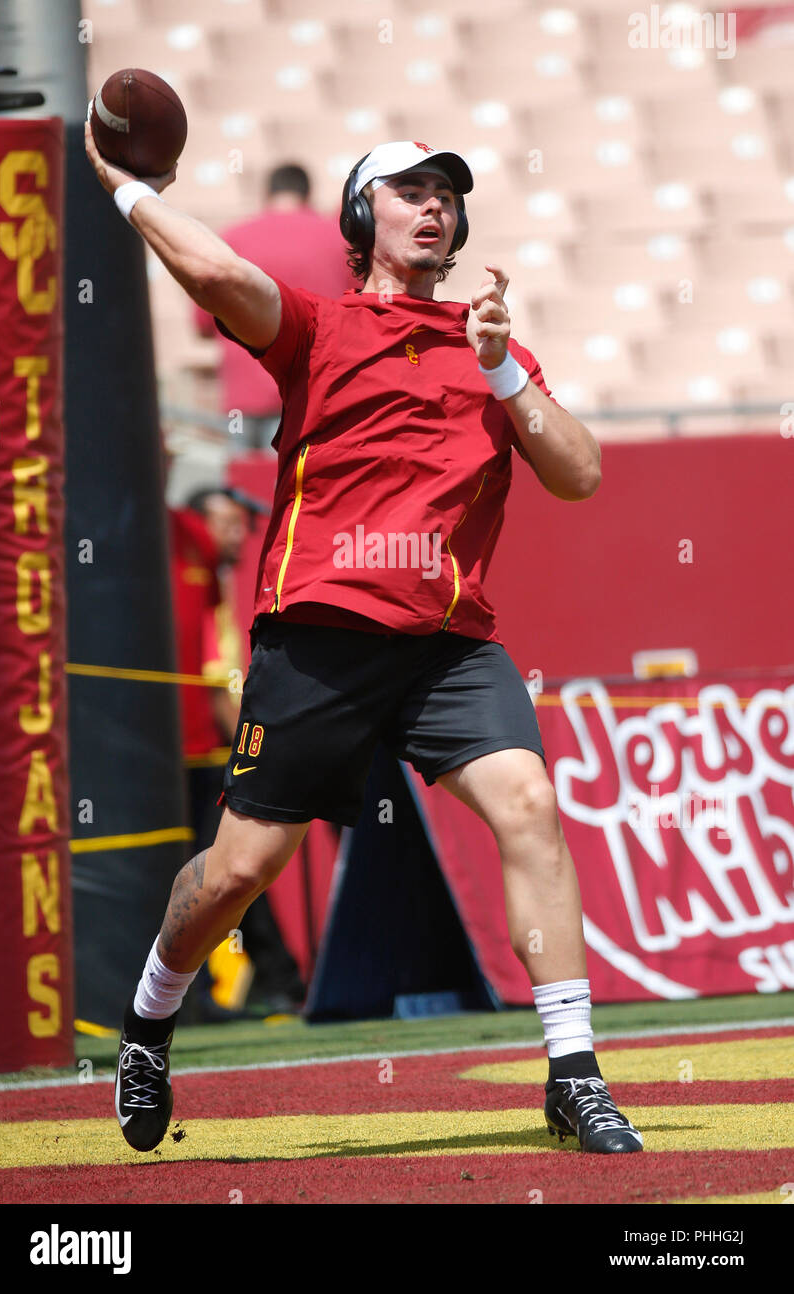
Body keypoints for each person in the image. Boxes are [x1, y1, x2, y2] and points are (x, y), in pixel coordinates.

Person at [86, 124, 643, 1157]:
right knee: (239, 871)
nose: (434, 206)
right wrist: (129, 188)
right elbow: (210, 270)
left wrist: (503, 374)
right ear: (360, 217)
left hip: (445, 645)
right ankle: (151, 1016)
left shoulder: (496, 351)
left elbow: (580, 474)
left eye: (446, 193)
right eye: (408, 190)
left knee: (529, 802)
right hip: (320, 642)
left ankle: (574, 1075)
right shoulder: (315, 327)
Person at [171, 486, 304, 1018]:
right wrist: (246, 749)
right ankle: (227, 986)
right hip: (207, 751)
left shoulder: (216, 582)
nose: (235, 535)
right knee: (224, 869)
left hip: (215, 747)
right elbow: (210, 677)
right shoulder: (187, 574)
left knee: (236, 868)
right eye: (224, 523)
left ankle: (273, 979)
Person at [192, 163, 355, 449]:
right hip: (311, 390)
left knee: (241, 486)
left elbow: (204, 322)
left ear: (267, 193)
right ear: (308, 193)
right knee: (300, 487)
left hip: (245, 392)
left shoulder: (233, 237)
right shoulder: (339, 240)